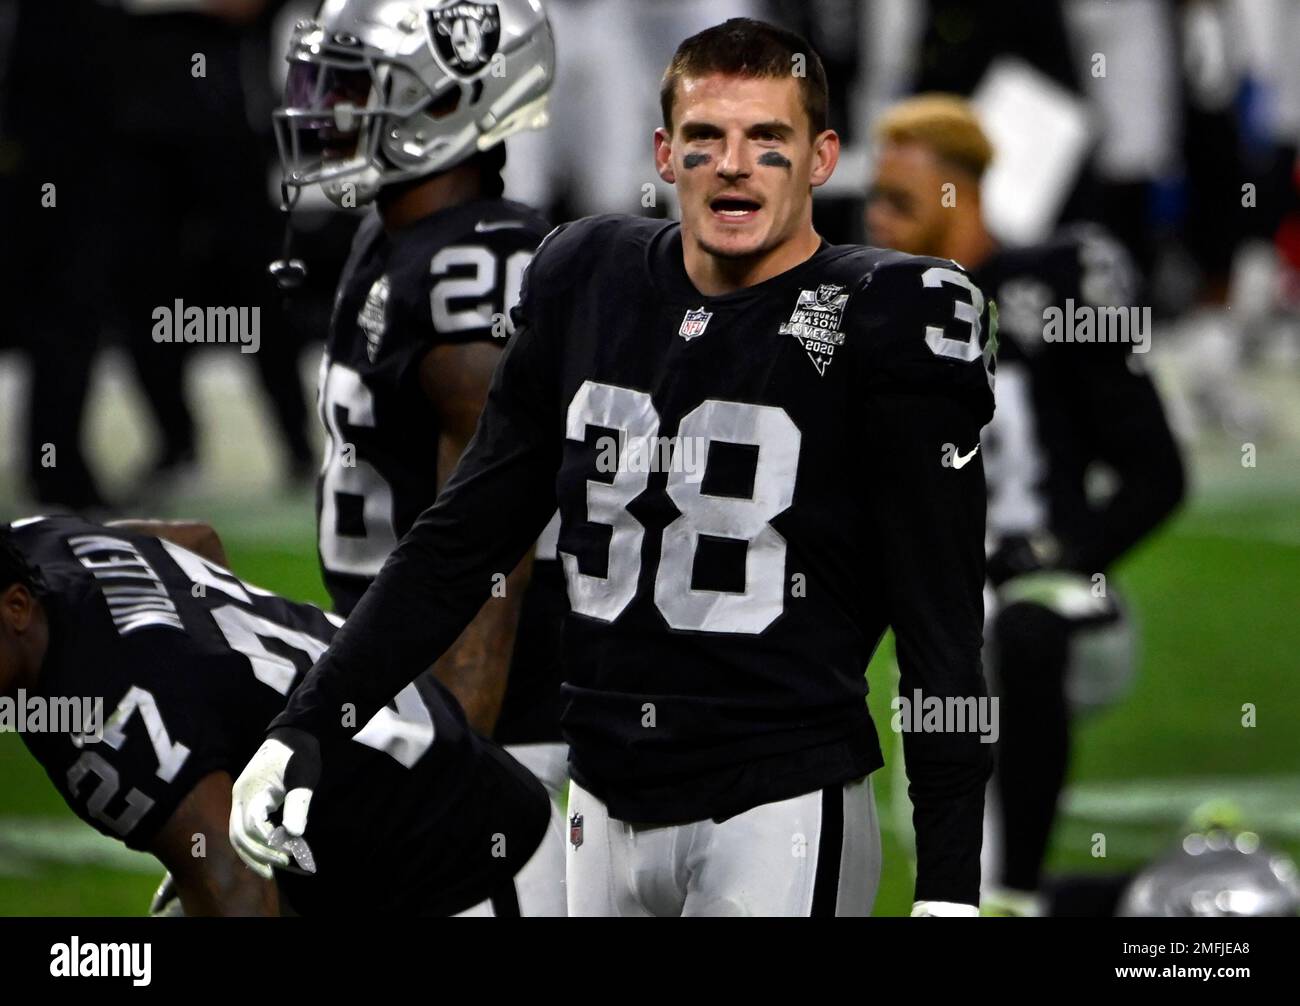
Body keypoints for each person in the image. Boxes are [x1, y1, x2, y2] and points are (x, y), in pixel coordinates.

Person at [233, 18, 998, 918]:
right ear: (666, 154)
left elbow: (941, 629)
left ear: (823, 157)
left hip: (777, 806)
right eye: (706, 138)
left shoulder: (889, 314)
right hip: (599, 802)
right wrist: (312, 718)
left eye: (768, 140)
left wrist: (949, 891)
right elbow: (461, 540)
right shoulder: (584, 275)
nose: (734, 164)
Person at [274, 0, 565, 914]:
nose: (327, 108)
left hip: (496, 728)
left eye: (356, 87)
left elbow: (488, 555)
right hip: (400, 687)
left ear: (447, 105)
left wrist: (447, 767)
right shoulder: (393, 231)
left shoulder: (468, 269)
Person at [866, 94, 1185, 915]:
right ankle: (1080, 901)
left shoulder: (1050, 288)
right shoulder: (877, 308)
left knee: (1019, 629)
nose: (877, 220)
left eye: (899, 201)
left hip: (1069, 598)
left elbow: (1158, 476)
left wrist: (1050, 552)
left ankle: (1014, 893)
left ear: (959, 196)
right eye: (875, 199)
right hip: (953, 610)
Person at [0, 515, 548, 916]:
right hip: (419, 772)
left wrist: (198, 831)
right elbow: (198, 541)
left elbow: (235, 891)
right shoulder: (38, 540)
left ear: (17, 607)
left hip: (457, 863)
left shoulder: (111, 715)